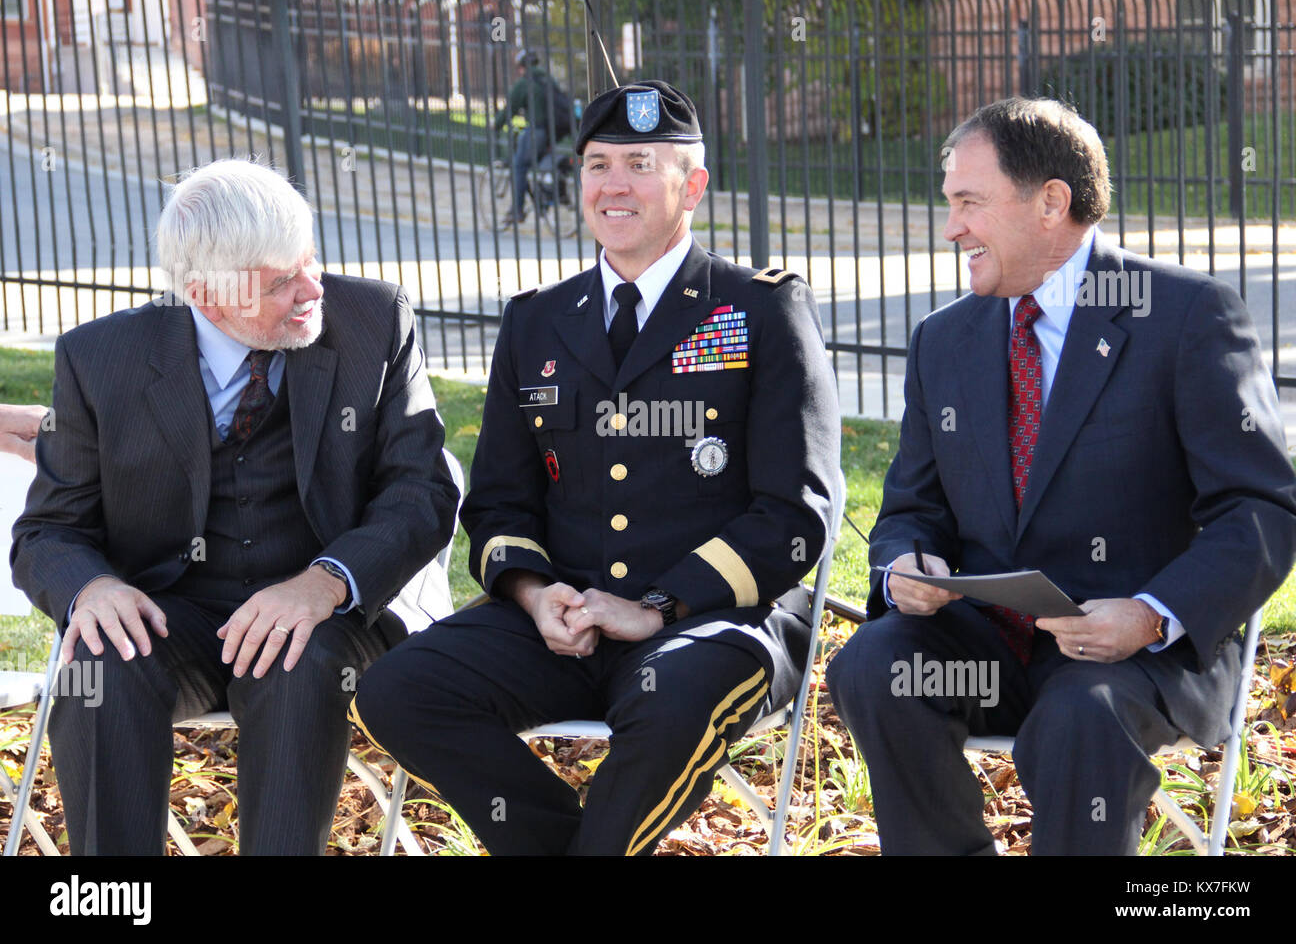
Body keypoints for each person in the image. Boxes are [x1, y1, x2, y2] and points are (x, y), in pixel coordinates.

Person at [350, 80, 840, 855]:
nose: (613, 184)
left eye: (641, 163)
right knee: (398, 690)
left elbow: (795, 515)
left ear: (694, 186)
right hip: (565, 622)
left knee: (674, 702)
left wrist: (655, 606)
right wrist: (537, 595)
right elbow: (501, 504)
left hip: (713, 623)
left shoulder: (758, 309)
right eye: (597, 164)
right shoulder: (536, 320)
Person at [826, 97, 1296, 855]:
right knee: (876, 666)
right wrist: (903, 565)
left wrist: (1147, 615)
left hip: (1132, 660)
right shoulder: (942, 341)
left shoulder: (1184, 316)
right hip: (987, 655)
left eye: (970, 203)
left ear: (1051, 201)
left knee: (1080, 716)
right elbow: (911, 509)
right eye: (950, 205)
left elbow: (1262, 511)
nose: (953, 228)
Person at [10, 159, 460, 855]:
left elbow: (423, 490)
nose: (312, 289)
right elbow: (48, 530)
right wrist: (91, 588)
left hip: (331, 614)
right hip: (176, 609)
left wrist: (326, 582)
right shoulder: (101, 360)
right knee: (98, 666)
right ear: (204, 294)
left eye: (310, 260)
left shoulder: (374, 322)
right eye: (281, 281)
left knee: (297, 664)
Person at [492, 49, 568, 226]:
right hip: (555, 132)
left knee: (519, 167)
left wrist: (496, 124)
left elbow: (510, 108)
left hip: (537, 131)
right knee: (538, 163)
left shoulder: (525, 83)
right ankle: (545, 196)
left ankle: (517, 210)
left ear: (521, 67)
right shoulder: (548, 79)